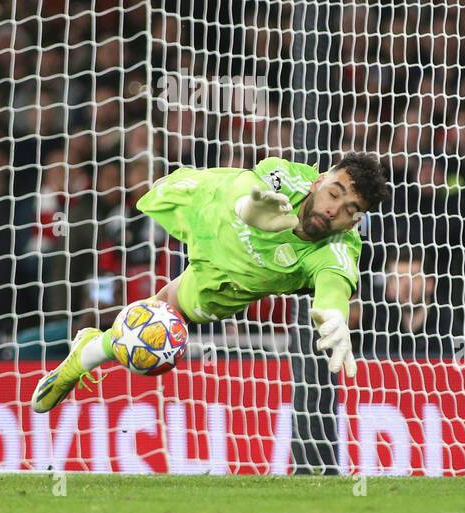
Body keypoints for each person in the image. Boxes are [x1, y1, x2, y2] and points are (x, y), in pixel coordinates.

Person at [30, 152, 392, 412]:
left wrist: (335, 316)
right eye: (333, 194)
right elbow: (248, 194)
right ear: (318, 181)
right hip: (207, 205)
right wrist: (252, 212)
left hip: (229, 276)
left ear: (357, 220)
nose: (334, 210)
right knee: (158, 192)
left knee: (158, 333)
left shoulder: (339, 249)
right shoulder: (287, 176)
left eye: (350, 210)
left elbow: (333, 288)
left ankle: (84, 356)